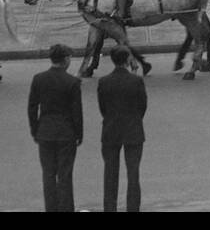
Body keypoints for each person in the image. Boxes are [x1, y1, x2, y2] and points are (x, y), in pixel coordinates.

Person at [28, 43, 84, 212]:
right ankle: (66, 208)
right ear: (65, 59)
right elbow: (77, 111)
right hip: (66, 134)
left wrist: (35, 130)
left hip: (45, 133)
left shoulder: (38, 79)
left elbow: (32, 107)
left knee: (48, 174)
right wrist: (79, 133)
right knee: (65, 175)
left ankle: (51, 208)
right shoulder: (72, 82)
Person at [97, 45, 147, 213]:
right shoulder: (136, 81)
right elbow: (142, 107)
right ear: (127, 60)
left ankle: (109, 208)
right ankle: (133, 208)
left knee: (110, 173)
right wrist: (134, 119)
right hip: (133, 130)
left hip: (111, 131)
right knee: (133, 174)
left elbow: (102, 107)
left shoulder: (104, 82)